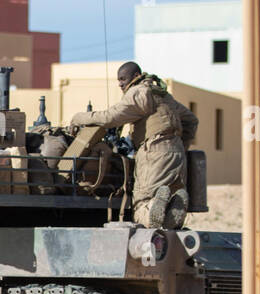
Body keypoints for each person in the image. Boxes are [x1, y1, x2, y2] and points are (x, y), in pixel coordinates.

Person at [69, 61, 198, 228]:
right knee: (166, 208)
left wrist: (79, 117)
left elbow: (110, 117)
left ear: (136, 76)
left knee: (142, 204)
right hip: (177, 153)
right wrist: (181, 144)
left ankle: (152, 206)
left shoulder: (139, 93)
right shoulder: (163, 95)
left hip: (154, 152)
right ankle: (174, 214)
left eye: (123, 79)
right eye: (118, 80)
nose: (120, 84)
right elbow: (191, 120)